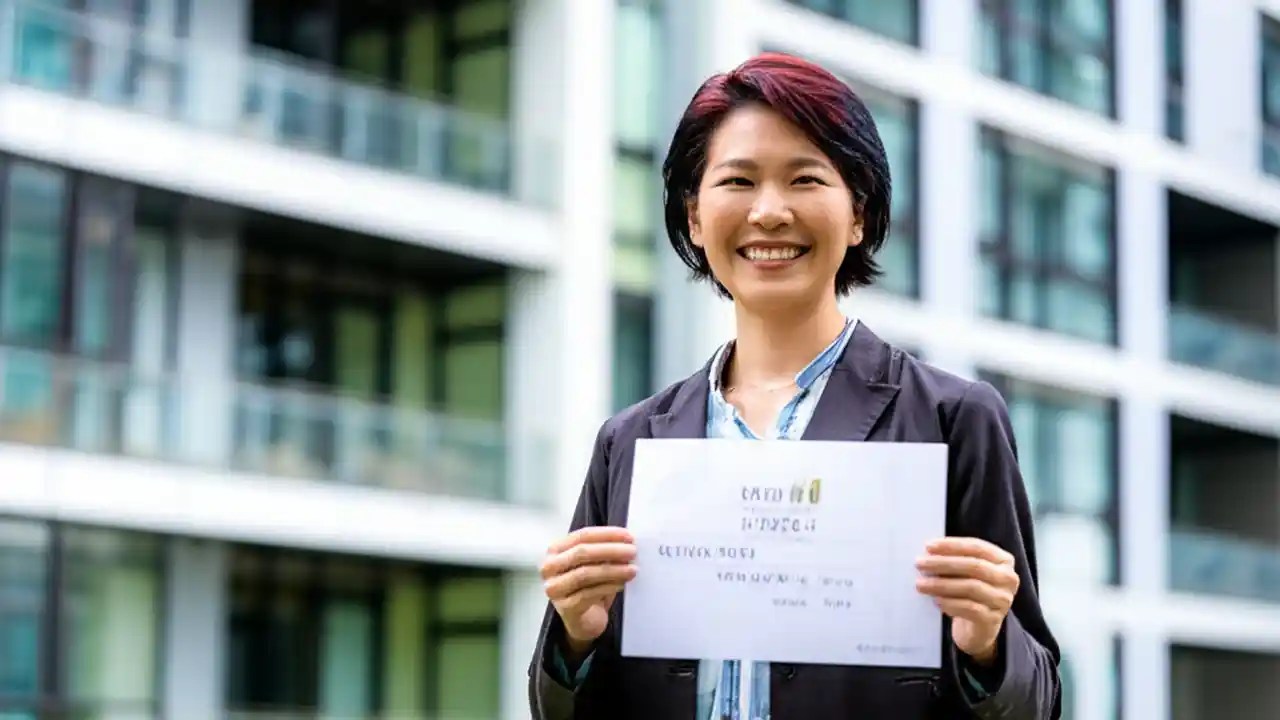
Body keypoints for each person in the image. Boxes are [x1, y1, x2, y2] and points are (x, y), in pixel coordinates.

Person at [528, 51, 1061, 720]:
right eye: (737, 182)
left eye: (805, 179)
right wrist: (574, 636)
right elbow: (561, 708)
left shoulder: (953, 420)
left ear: (859, 213)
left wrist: (988, 647)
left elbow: (1037, 702)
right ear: (694, 217)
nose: (770, 212)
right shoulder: (631, 443)